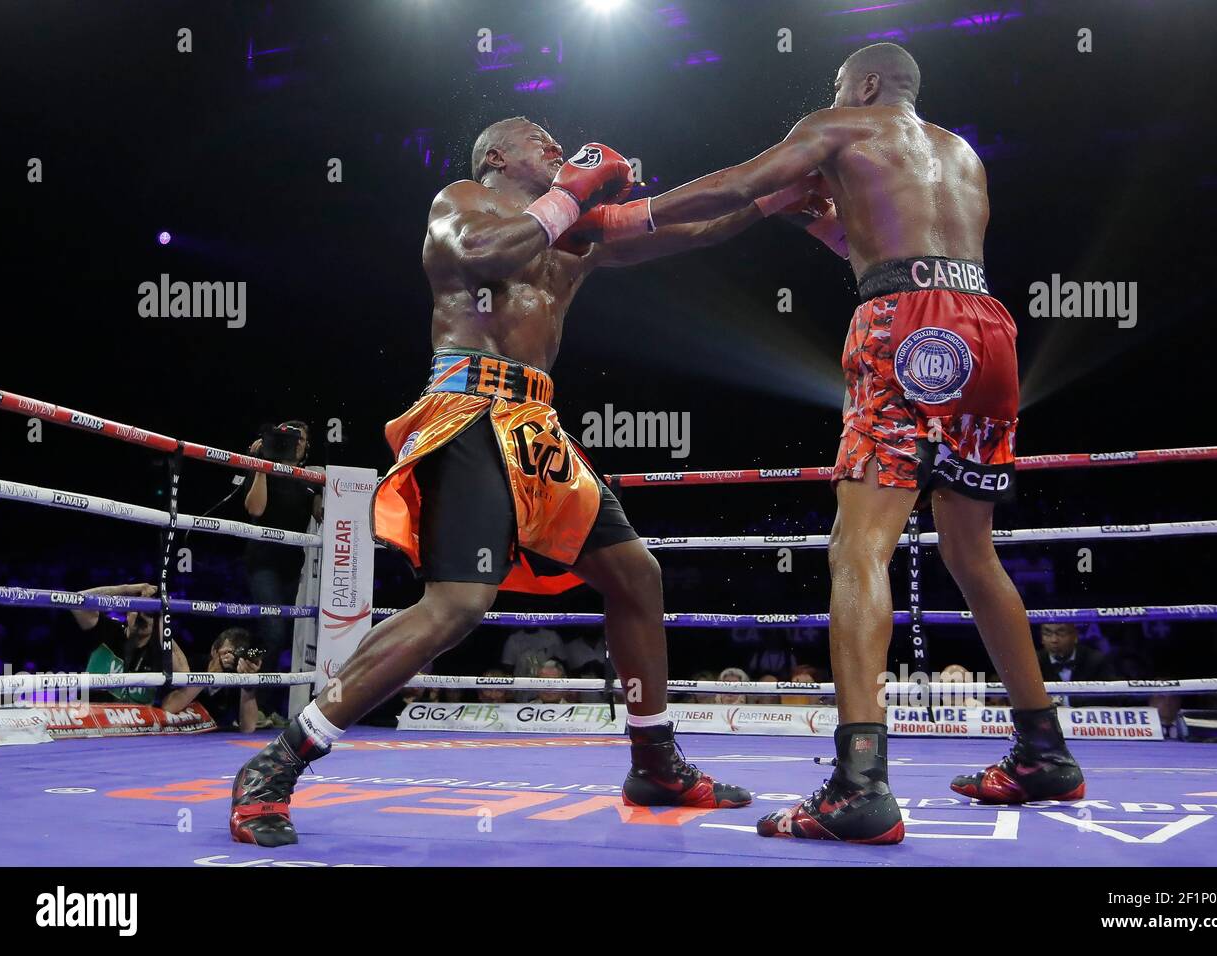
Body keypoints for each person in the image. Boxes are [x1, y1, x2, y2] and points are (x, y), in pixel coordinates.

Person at [230, 116, 817, 846]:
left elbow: (679, 227)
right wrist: (571, 189)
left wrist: (773, 199)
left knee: (637, 575)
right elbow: (487, 256)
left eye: (558, 146)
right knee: (457, 606)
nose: (556, 148)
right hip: (468, 409)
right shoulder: (462, 203)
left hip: (538, 428)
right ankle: (279, 760)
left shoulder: (574, 228)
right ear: (498, 156)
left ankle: (654, 761)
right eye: (540, 140)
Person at [579, 43, 1084, 843]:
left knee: (858, 550)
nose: (831, 98)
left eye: (840, 87)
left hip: (905, 329)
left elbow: (740, 183)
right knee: (971, 553)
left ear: (868, 85)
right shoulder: (960, 154)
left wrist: (617, 217)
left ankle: (859, 786)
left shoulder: (840, 124)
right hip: (986, 328)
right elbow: (888, 245)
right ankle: (1043, 752)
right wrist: (815, 216)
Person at [242, 421, 321, 668]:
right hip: (263, 563)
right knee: (274, 630)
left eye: (300, 439)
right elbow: (255, 508)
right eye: (289, 438)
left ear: (307, 446)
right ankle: (253, 690)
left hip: (292, 566)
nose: (294, 444)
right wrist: (261, 465)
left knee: (278, 634)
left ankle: (246, 668)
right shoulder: (262, 470)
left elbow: (322, 515)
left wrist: (331, 489)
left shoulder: (312, 478)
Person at [69, 582, 192, 711]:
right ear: (127, 612)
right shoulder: (108, 630)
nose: (141, 616)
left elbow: (185, 677)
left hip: (132, 727)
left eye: (148, 612)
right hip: (89, 718)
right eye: (137, 609)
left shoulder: (160, 650)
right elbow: (76, 601)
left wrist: (162, 619)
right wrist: (127, 589)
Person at [1038, 622, 1115, 705]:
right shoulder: (1034, 662)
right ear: (1042, 638)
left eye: (1061, 633)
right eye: (1047, 633)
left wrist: (1066, 701)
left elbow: (1115, 695)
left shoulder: (1094, 659)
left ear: (1075, 636)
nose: (1054, 640)